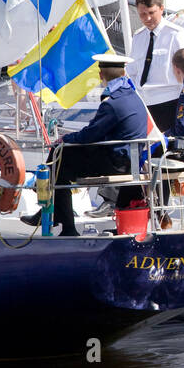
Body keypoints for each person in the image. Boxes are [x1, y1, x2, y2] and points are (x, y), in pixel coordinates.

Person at [32, 53, 149, 236]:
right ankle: (53, 214)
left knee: (59, 157)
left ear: (101, 74)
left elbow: (91, 134)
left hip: (116, 163)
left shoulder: (112, 103)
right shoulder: (134, 97)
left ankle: (65, 225)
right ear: (123, 72)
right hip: (128, 160)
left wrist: (65, 139)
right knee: (61, 159)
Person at [127, 0, 184, 133]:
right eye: (143, 14)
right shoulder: (138, 36)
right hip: (143, 103)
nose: (148, 18)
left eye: (152, 13)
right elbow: (132, 71)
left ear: (161, 9)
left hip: (169, 101)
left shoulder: (176, 34)